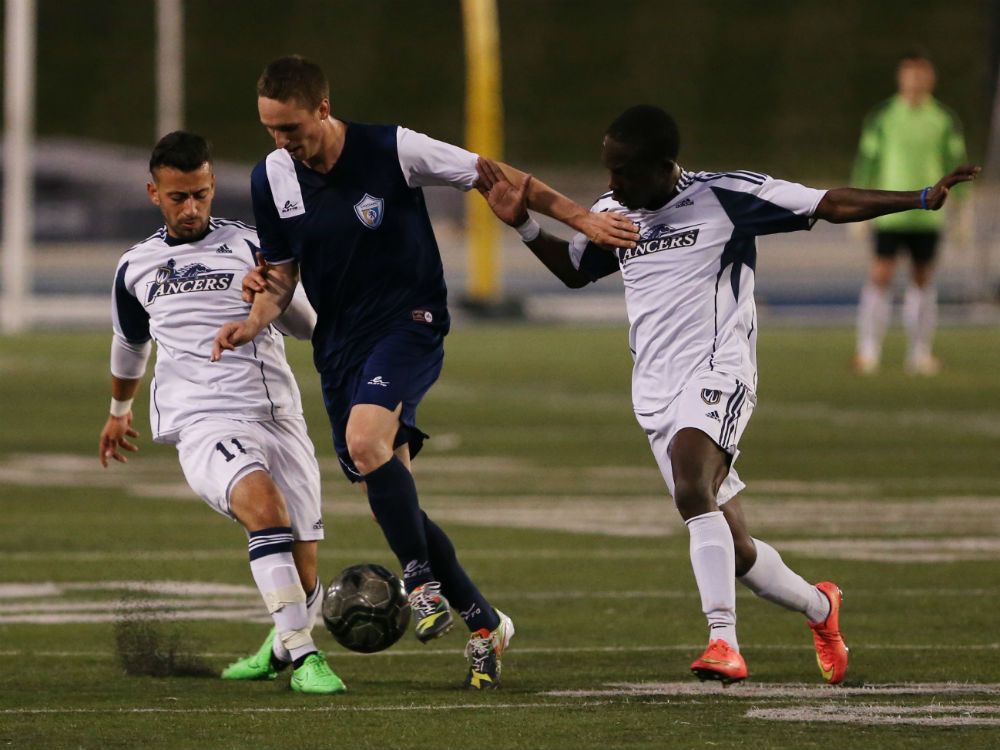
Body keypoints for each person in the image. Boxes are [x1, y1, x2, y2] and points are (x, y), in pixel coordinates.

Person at [475, 104, 979, 685]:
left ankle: (723, 641)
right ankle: (822, 607)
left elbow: (826, 203)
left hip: (720, 370)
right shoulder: (615, 212)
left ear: (666, 166)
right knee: (735, 550)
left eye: (626, 172)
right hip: (655, 390)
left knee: (693, 485)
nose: (613, 185)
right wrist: (524, 224)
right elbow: (575, 271)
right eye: (609, 171)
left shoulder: (726, 197)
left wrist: (917, 198)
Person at [212, 55, 637, 689]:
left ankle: (419, 585)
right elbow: (280, 277)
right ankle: (486, 623)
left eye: (292, 128)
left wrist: (582, 220)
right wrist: (253, 318)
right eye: (271, 129)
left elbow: (503, 177)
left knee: (364, 442)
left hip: (408, 322)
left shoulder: (395, 148)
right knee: (390, 499)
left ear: (323, 110)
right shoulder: (272, 177)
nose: (283, 142)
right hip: (338, 346)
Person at [98, 130, 346, 695]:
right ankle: (307, 658)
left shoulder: (254, 246)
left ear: (213, 187)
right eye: (179, 196)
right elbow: (129, 344)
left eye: (202, 195)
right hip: (202, 418)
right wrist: (119, 410)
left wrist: (273, 295)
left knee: (304, 566)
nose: (192, 208)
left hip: (277, 413)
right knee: (265, 509)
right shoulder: (135, 266)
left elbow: (308, 327)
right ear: (153, 193)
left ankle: (280, 645)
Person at [853, 52, 969, 375]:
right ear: (900, 77)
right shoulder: (884, 116)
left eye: (921, 74)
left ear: (930, 78)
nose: (915, 80)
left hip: (928, 215)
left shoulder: (943, 120)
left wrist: (962, 210)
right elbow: (867, 161)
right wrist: (860, 206)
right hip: (891, 212)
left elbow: (955, 164)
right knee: (880, 277)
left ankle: (919, 353)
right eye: (910, 74)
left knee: (922, 281)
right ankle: (868, 351)